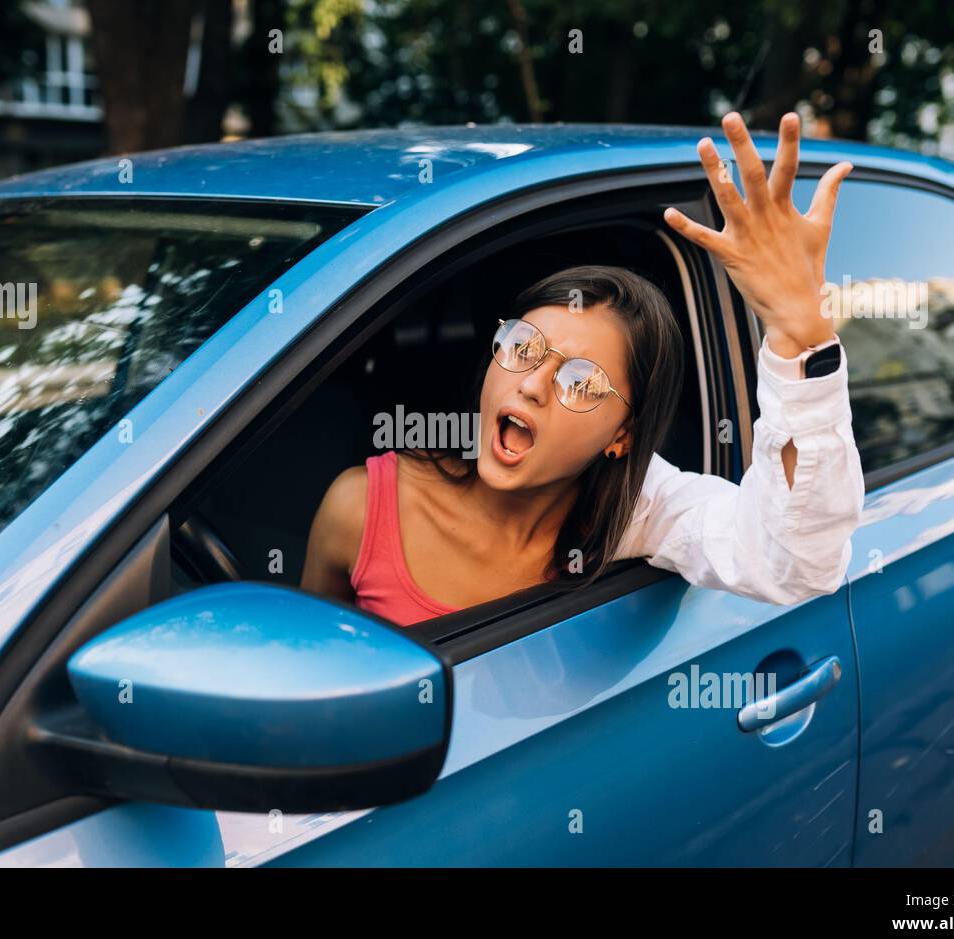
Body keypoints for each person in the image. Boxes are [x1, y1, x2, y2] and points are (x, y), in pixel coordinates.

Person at [300, 111, 866, 626]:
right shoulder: (361, 506)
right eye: (522, 347)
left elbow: (797, 563)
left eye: (581, 382)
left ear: (621, 435)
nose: (530, 383)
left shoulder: (635, 512)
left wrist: (802, 339)